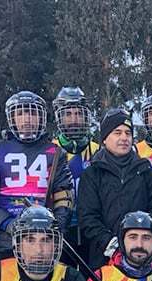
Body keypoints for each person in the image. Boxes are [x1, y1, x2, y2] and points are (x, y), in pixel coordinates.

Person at [0, 90, 74, 256]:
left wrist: (54, 229)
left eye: (33, 113)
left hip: (44, 241)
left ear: (41, 117)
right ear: (12, 117)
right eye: (21, 113)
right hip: (7, 240)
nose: (27, 119)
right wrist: (9, 224)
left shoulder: (56, 152)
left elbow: (65, 197)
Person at [77, 108, 152, 270]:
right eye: (117, 133)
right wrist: (111, 243)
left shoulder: (145, 170)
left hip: (143, 256)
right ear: (105, 138)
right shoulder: (92, 173)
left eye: (128, 133)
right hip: (103, 259)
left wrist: (146, 239)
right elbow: (88, 218)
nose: (124, 138)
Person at [51, 86, 100, 270]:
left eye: (79, 114)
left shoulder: (99, 151)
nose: (74, 120)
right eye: (68, 114)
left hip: (91, 231)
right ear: (59, 117)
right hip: (61, 231)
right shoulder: (50, 151)